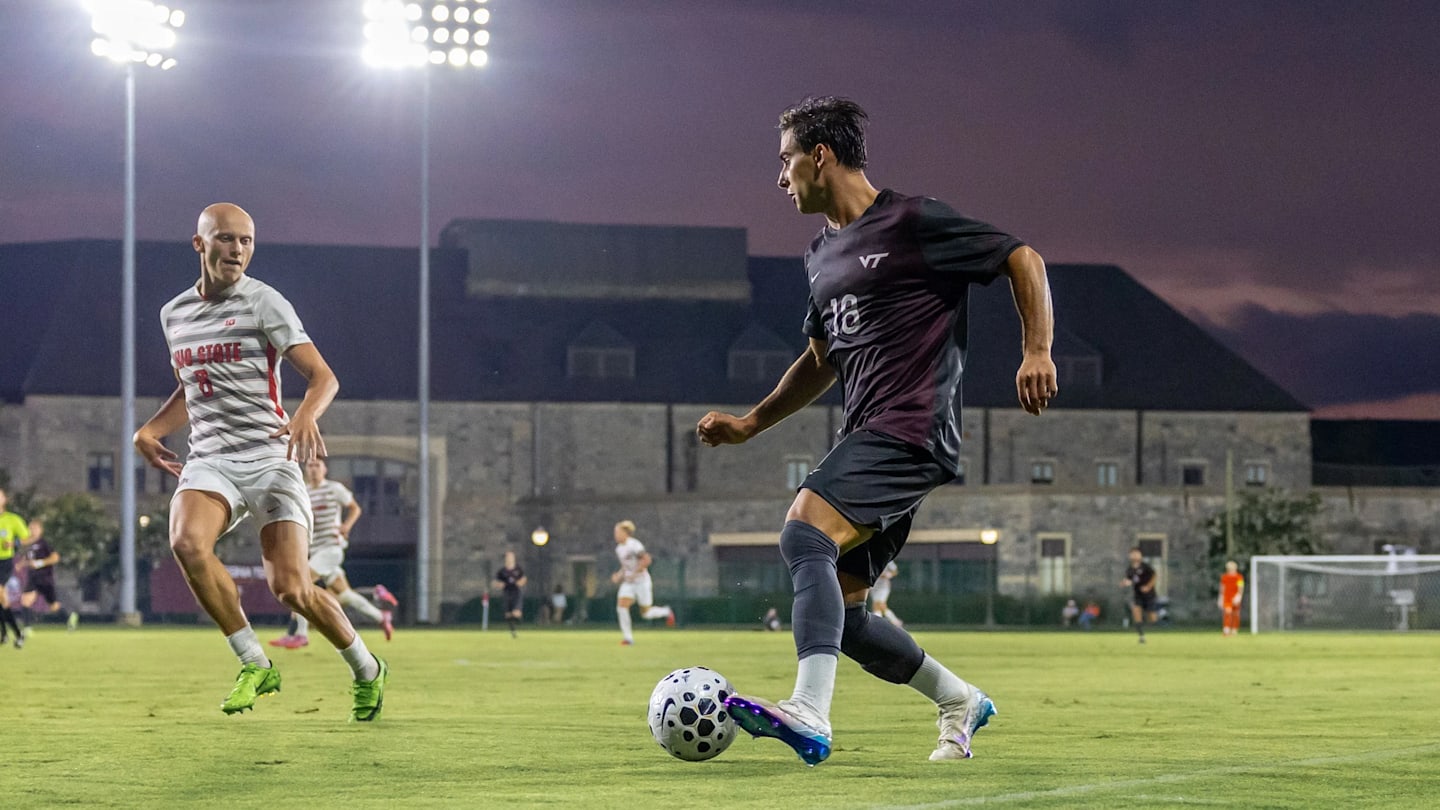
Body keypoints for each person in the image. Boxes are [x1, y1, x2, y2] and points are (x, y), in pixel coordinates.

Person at [696, 96, 1057, 766]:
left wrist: (1036, 349)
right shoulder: (819, 257)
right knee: (853, 618)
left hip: (912, 429)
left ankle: (808, 710)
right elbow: (818, 362)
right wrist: (750, 424)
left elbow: (1023, 257)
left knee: (804, 530)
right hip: (869, 435)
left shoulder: (914, 221)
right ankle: (960, 701)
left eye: (786, 160)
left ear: (820, 156)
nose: (780, 179)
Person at [132, 202, 387, 721]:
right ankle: (254, 661)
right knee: (186, 542)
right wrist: (151, 430)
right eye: (227, 239)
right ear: (200, 244)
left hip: (271, 455)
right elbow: (193, 384)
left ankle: (366, 668)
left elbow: (324, 377)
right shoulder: (173, 314)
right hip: (210, 458)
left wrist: (303, 417)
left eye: (247, 241)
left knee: (291, 589)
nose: (238, 250)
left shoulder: (265, 302)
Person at [271, 458, 396, 648]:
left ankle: (300, 634)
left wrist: (346, 525)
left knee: (300, 583)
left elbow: (355, 508)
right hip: (316, 550)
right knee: (345, 595)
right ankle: (381, 615)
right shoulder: (303, 491)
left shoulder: (334, 488)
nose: (313, 469)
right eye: (310, 466)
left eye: (317, 466)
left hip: (331, 549)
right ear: (306, 470)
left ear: (324, 470)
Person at [611, 519, 675, 645]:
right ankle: (628, 638)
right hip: (629, 583)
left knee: (646, 613)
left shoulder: (634, 545)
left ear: (626, 533)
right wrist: (618, 576)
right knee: (621, 607)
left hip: (642, 581)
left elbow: (646, 560)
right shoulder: (619, 549)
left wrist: (635, 574)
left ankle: (666, 611)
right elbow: (625, 566)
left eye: (617, 532)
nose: (615, 535)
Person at [20, 519, 79, 630]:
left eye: (35, 528)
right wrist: (22, 563)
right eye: (31, 528)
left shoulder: (44, 543)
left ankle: (69, 617)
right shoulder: (29, 544)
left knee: (53, 606)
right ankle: (27, 628)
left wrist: (40, 563)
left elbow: (55, 557)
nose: (32, 531)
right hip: (33, 578)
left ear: (41, 530)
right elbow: (30, 559)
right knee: (25, 600)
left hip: (45, 578)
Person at [0, 488, 29, 647]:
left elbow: (26, 538)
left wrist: (14, 543)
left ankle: (9, 633)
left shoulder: (12, 519)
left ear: (5, 500)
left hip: (4, 562)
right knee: (2, 600)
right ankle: (12, 634)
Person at [1121, 547, 1159, 643]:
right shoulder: (1129, 569)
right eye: (1133, 554)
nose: (1135, 555)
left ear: (1141, 555)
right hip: (1138, 595)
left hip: (1149, 595)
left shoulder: (1145, 566)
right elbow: (1129, 579)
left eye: (1137, 553)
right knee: (1136, 611)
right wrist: (1125, 583)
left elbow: (1154, 576)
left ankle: (1153, 627)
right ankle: (1141, 636)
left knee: (1152, 618)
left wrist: (1148, 587)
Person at [492, 550, 527, 637]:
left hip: (516, 592)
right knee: (508, 615)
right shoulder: (502, 571)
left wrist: (521, 582)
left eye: (511, 557)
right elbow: (495, 582)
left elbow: (524, 579)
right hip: (507, 593)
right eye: (508, 557)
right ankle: (513, 631)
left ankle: (519, 618)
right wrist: (499, 585)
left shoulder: (518, 569)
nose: (509, 559)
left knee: (516, 613)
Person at [868, 560, 903, 627]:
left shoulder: (888, 560)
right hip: (874, 586)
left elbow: (894, 571)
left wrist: (886, 575)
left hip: (883, 587)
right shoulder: (870, 558)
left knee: (879, 604)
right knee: (878, 606)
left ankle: (893, 622)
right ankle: (891, 622)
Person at [1218, 560, 1245, 636]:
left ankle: (1234, 630)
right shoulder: (1224, 577)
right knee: (1227, 613)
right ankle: (1226, 629)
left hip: (1235, 597)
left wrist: (1239, 595)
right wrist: (1221, 597)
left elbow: (1241, 587)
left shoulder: (1239, 577)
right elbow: (1222, 587)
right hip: (1227, 597)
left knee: (1236, 614)